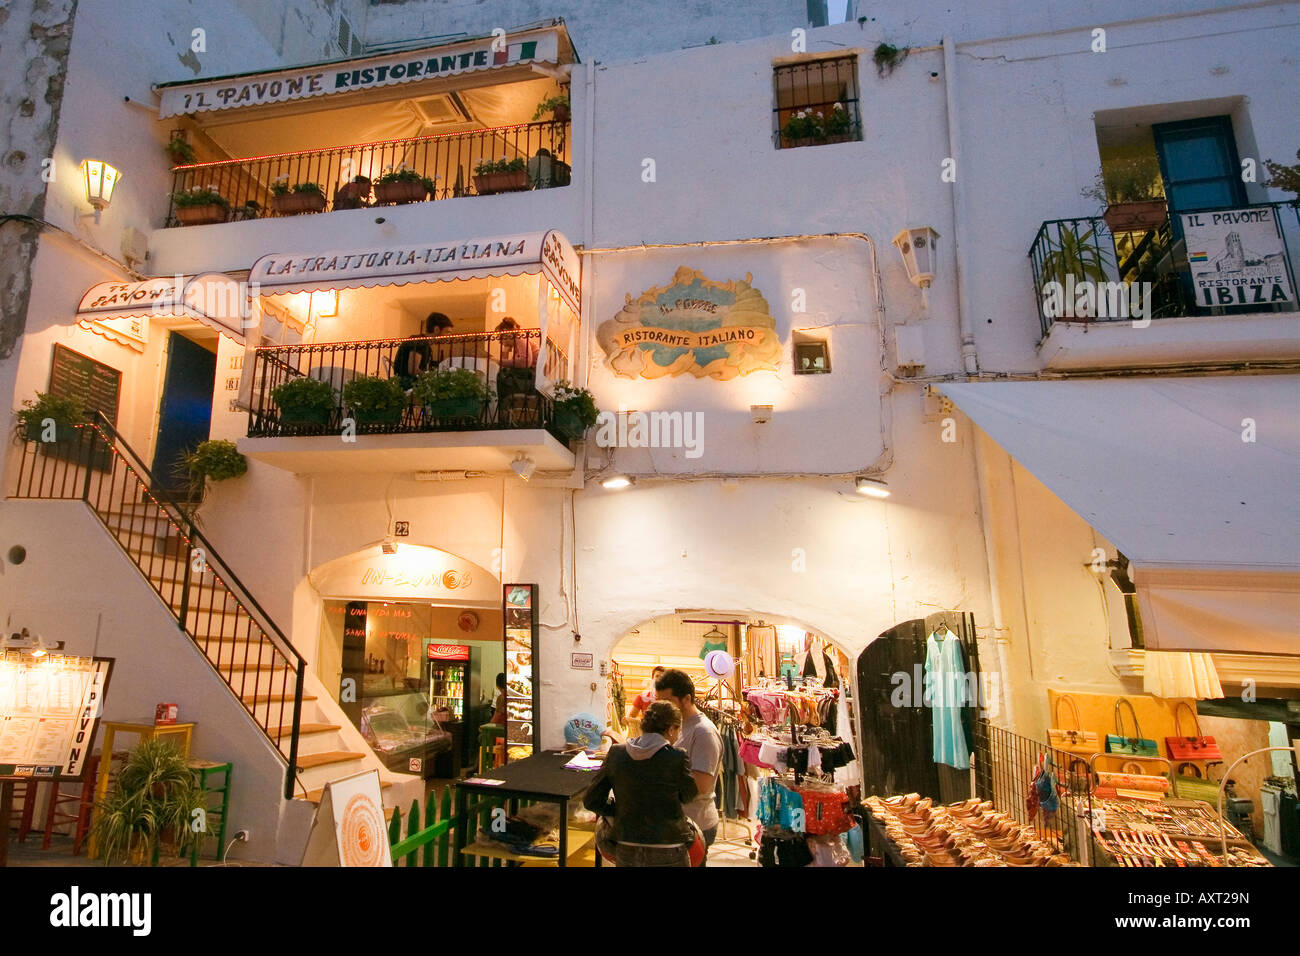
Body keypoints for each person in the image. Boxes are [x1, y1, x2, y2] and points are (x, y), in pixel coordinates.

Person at [583, 700, 698, 867]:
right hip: (668, 845)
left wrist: (618, 809)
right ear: (671, 729)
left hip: (627, 845)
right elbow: (689, 795)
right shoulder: (677, 757)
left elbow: (591, 799)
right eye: (677, 729)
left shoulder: (616, 754)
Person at [655, 668, 723, 864]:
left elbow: (700, 786)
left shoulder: (703, 733)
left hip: (695, 825)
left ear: (686, 698)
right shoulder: (678, 725)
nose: (662, 708)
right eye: (659, 701)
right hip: (676, 823)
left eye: (667, 702)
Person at [493, 317, 539, 420]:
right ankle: (502, 410)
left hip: (527, 376)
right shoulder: (517, 345)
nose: (501, 340)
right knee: (501, 375)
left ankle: (500, 410)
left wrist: (499, 361)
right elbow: (505, 365)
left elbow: (525, 362)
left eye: (502, 337)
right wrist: (505, 351)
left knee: (500, 378)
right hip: (524, 376)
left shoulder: (520, 339)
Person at [393, 312, 452, 389]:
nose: (449, 336)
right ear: (436, 329)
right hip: (408, 385)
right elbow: (413, 370)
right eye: (447, 332)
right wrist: (433, 378)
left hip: (411, 384)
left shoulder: (425, 345)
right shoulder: (420, 342)